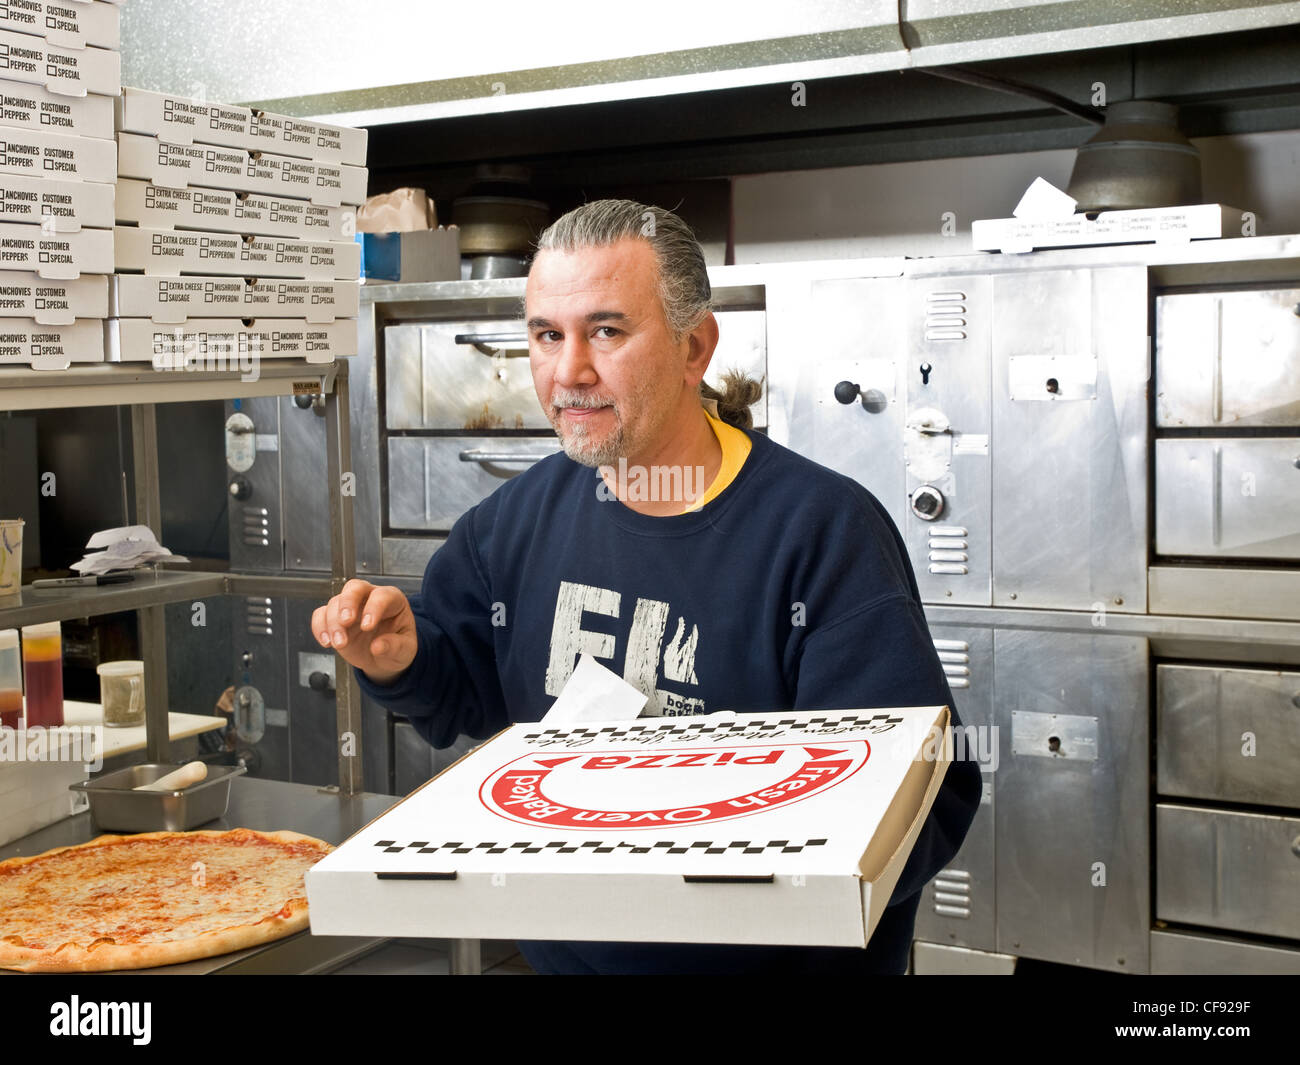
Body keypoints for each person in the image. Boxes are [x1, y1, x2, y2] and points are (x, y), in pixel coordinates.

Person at [312, 199, 982, 974]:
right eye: (545, 336)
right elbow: (462, 685)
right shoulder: (514, 522)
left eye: (606, 330)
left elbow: (923, 798)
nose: (569, 372)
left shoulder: (821, 535)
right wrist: (400, 655)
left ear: (695, 346)